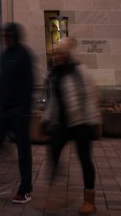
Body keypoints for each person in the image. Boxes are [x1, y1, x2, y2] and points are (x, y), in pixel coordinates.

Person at [42, 37, 100, 215]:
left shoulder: (78, 71)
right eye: (54, 54)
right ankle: (58, 188)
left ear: (66, 54)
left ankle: (89, 200)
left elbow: (90, 96)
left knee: (84, 160)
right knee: (53, 152)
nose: (56, 57)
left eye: (59, 53)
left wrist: (94, 121)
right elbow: (53, 101)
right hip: (63, 123)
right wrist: (46, 119)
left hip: (81, 122)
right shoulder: (53, 75)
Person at [0, 22, 35, 204]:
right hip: (5, 109)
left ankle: (25, 190)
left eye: (8, 36)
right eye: (4, 36)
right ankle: (8, 174)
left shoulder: (24, 55)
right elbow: (1, 79)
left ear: (15, 36)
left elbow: (29, 83)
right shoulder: (5, 55)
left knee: (24, 151)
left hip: (19, 111)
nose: (5, 39)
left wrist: (25, 109)